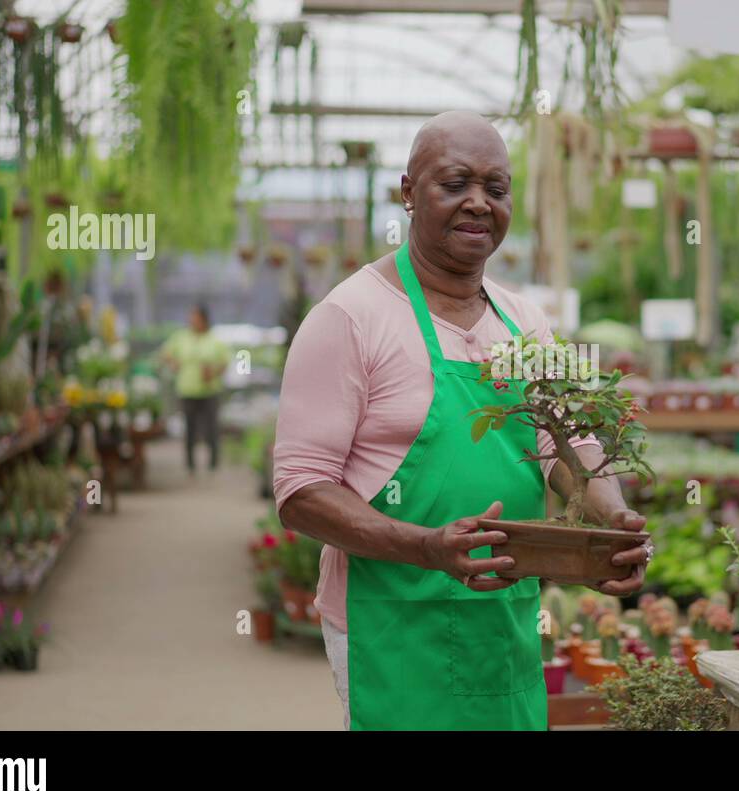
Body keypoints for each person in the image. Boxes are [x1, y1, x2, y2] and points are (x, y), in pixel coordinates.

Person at [273, 111, 651, 731]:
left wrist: (611, 520)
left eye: (495, 190)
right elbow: (300, 490)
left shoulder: (524, 321)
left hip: (502, 615)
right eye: (455, 184)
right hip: (391, 620)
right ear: (407, 193)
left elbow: (565, 440)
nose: (478, 204)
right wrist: (424, 547)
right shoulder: (350, 316)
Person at [161, 304, 230, 474]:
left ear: (204, 320)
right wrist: (173, 364)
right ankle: (190, 464)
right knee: (189, 429)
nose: (193, 321)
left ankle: (213, 463)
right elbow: (166, 354)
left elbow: (225, 362)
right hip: (187, 390)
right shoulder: (181, 337)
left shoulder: (215, 340)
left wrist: (213, 372)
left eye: (196, 318)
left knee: (211, 428)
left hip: (209, 391)